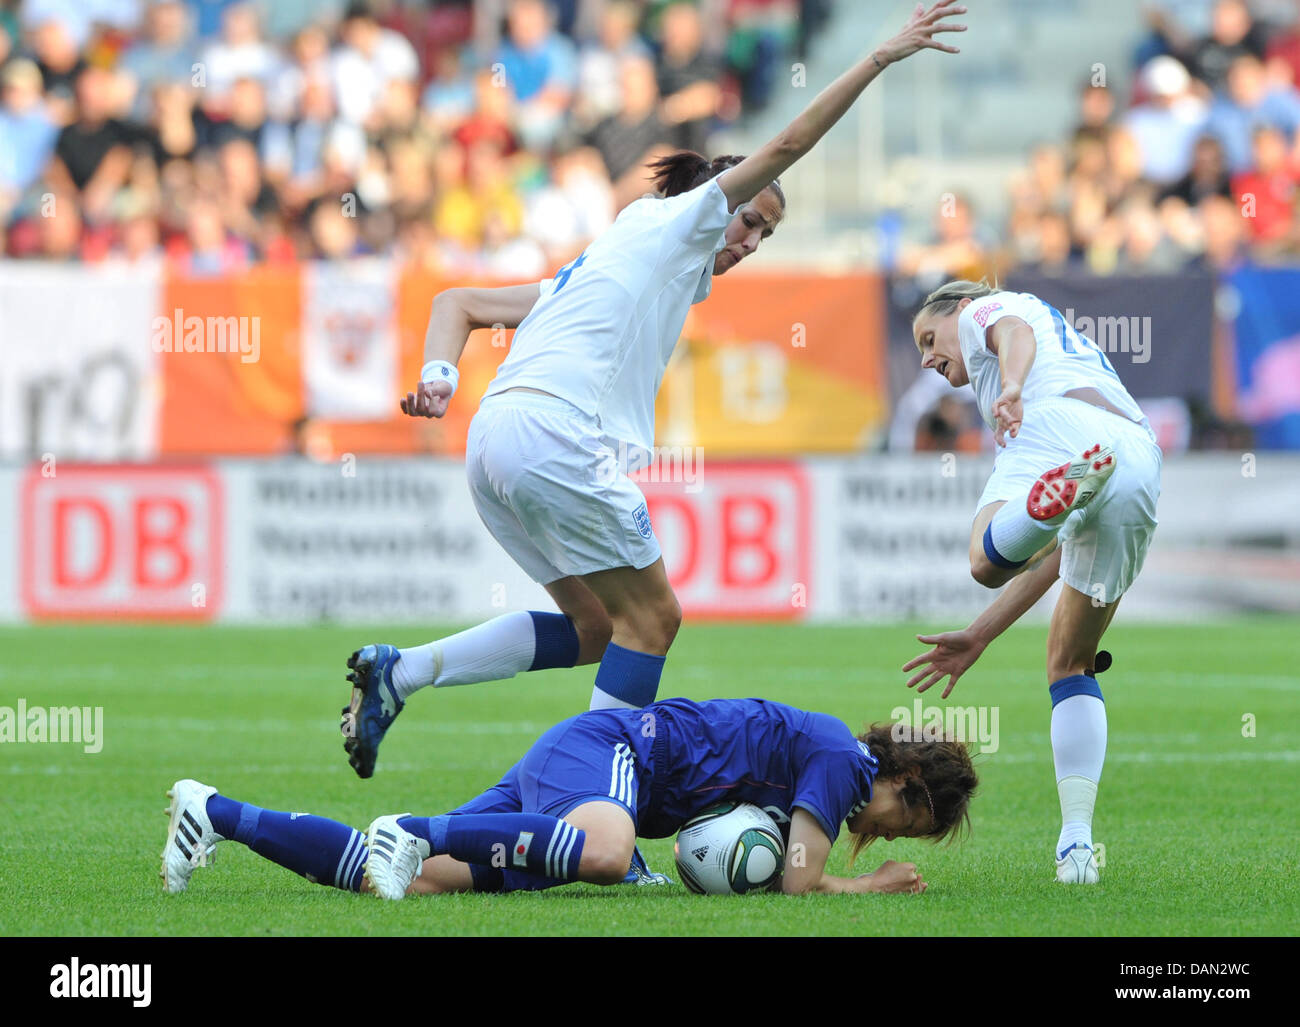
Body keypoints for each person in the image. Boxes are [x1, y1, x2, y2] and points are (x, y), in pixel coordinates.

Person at [340, 4, 968, 801]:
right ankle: (592, 801)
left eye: (766, 236)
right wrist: (878, 59)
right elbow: (787, 144)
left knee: (597, 628)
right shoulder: (680, 222)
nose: (748, 242)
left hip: (495, 441)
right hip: (556, 439)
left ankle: (406, 670)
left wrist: (439, 377)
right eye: (751, 220)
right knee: (655, 621)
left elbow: (459, 301)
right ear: (716, 197)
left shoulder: (611, 255)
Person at [163, 696, 977, 899]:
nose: (890, 830)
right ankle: (411, 824)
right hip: (612, 750)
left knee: (411, 880)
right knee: (607, 853)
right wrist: (867, 884)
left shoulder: (826, 762)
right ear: (902, 783)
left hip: (586, 766)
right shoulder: (842, 758)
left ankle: (217, 813)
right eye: (911, 817)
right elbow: (798, 879)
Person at [904, 280, 1162, 885]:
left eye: (928, 338)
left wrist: (1015, 388)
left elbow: (1010, 333)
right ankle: (1076, 850)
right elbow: (1057, 555)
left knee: (984, 560)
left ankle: (1043, 506)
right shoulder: (1065, 344)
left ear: (956, 309)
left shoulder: (984, 311)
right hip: (1136, 459)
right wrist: (981, 634)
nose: (926, 358)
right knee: (1069, 664)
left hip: (1054, 423)